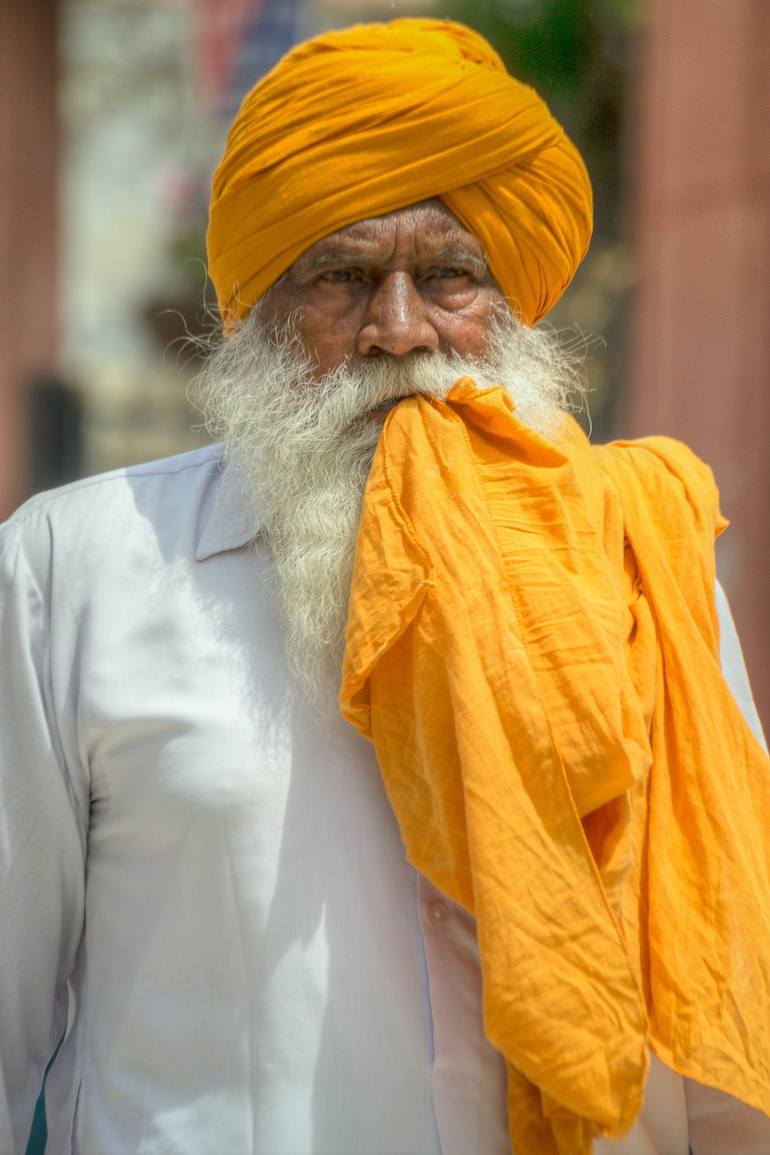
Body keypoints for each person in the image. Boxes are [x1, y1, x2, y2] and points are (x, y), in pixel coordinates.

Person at [1, 18, 768, 1155]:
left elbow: (722, 983)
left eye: (450, 277)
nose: (400, 333)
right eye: (343, 279)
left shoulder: (637, 556)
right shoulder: (75, 571)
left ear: (509, 307)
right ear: (257, 302)